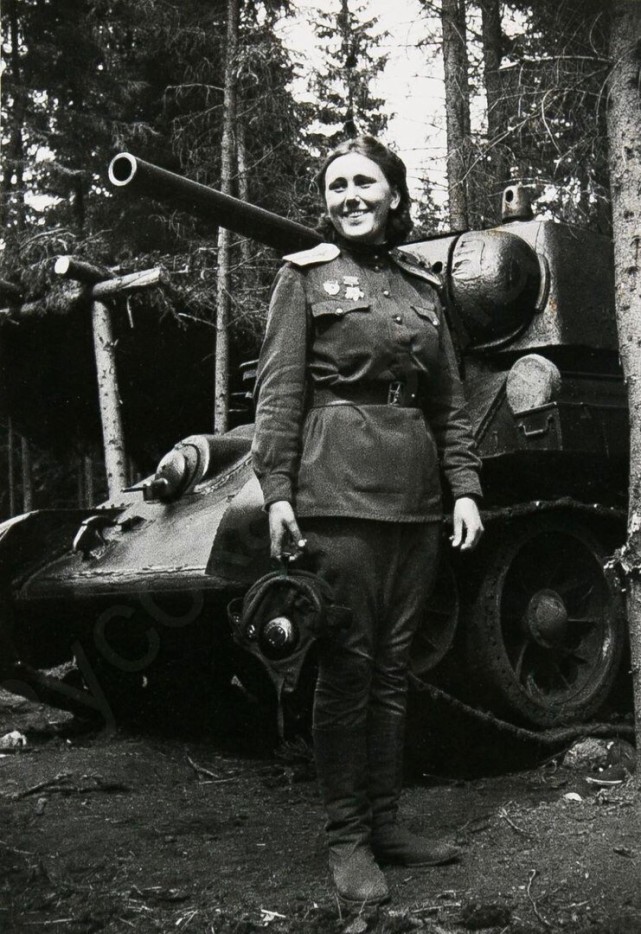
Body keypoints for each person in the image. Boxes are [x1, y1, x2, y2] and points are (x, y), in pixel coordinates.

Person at [251, 136, 483, 907]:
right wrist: (277, 491)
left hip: (414, 498)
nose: (349, 195)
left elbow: (449, 404)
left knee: (392, 672)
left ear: (392, 193)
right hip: (336, 492)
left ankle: (386, 826)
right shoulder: (304, 277)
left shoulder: (421, 286)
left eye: (364, 182)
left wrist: (464, 490)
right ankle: (347, 841)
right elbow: (279, 395)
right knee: (348, 670)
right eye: (336, 184)